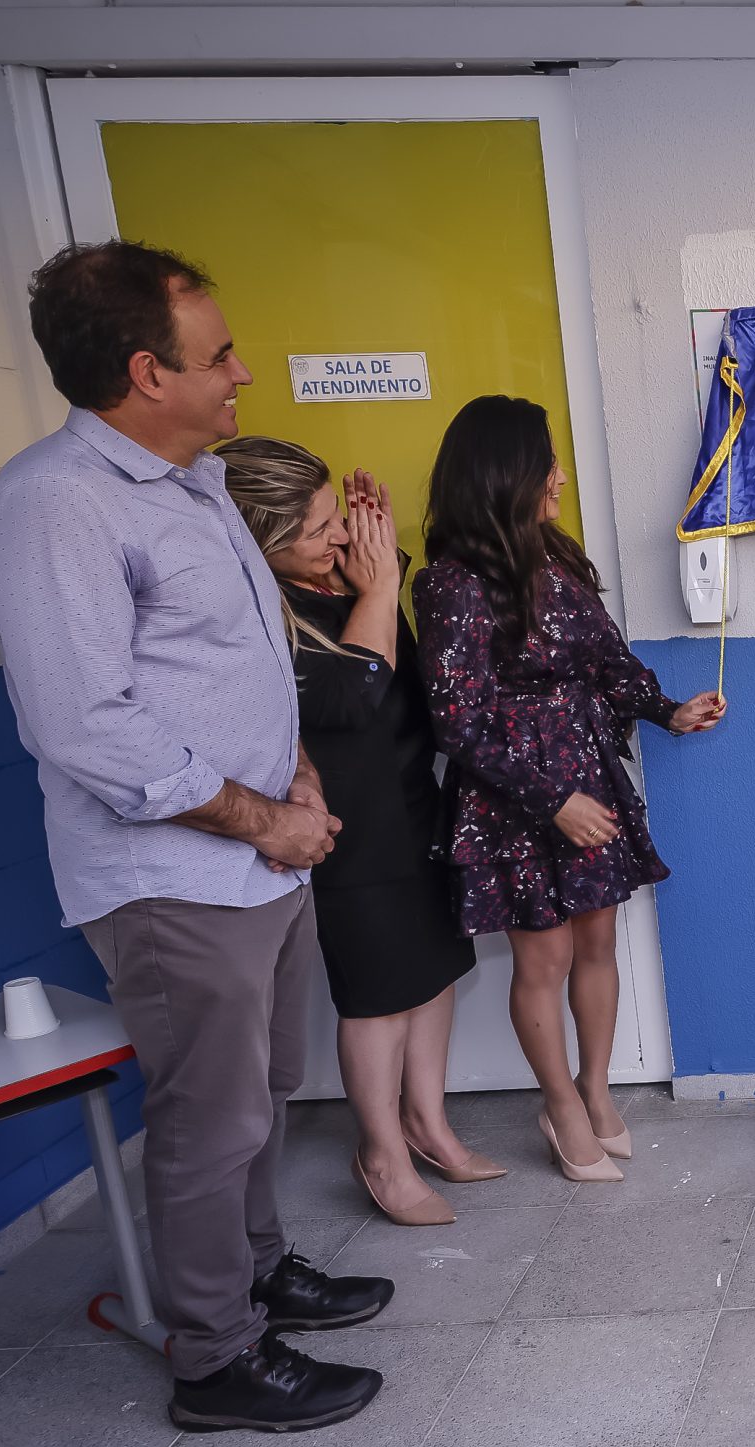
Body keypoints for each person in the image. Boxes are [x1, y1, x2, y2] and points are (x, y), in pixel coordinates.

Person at [0, 241, 391, 1434]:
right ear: (147, 373)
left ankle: (256, 1274)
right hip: (174, 876)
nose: (242, 373)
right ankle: (216, 1358)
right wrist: (265, 819)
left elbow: (241, 668)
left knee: (264, 1088)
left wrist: (295, 776)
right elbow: (87, 724)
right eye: (220, 355)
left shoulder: (194, 485)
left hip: (258, 859)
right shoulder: (56, 505)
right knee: (210, 1117)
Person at [415, 395, 726, 1182]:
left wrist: (666, 709)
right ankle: (558, 1104)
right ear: (506, 473)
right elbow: (458, 722)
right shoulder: (450, 583)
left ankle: (594, 1087)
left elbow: (608, 661)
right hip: (516, 797)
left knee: (596, 942)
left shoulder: (555, 556)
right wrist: (552, 799)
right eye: (546, 463)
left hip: (586, 773)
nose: (558, 476)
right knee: (545, 957)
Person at [217, 437, 502, 1227]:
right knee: (379, 995)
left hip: (411, 803)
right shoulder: (254, 615)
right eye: (319, 529)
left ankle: (428, 1125)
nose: (341, 535)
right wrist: (377, 586)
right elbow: (352, 695)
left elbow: (400, 677)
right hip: (349, 830)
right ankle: (380, 1152)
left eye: (337, 516)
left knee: (436, 971)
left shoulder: (333, 585)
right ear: (261, 542)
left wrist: (368, 578)